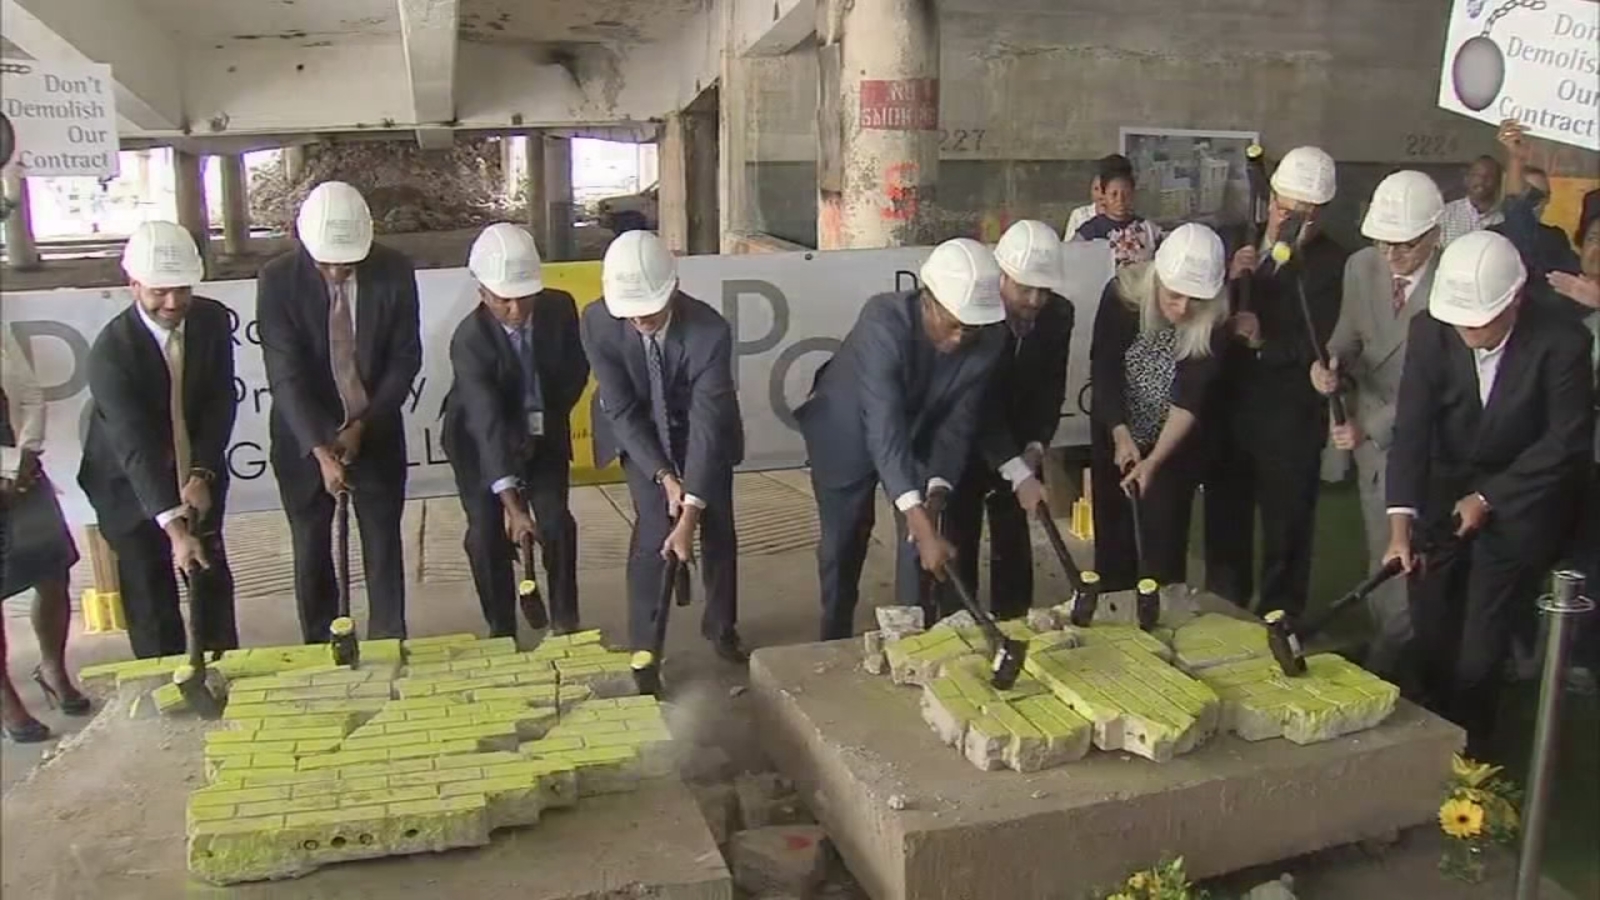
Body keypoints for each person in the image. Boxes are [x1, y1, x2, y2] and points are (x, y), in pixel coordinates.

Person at [1385, 230, 1594, 756]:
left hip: (1520, 504)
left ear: (1515, 300)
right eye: (1460, 322)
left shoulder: (1564, 341)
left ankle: (1472, 756)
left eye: (1479, 322)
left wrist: (1488, 498)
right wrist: (1400, 525)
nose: (1467, 333)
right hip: (1442, 499)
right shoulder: (1431, 330)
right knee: (1432, 628)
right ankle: (1425, 745)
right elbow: (1412, 428)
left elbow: (1565, 441)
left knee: (1481, 644)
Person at [798, 238, 1007, 640]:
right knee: (843, 541)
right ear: (929, 301)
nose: (961, 338)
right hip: (846, 431)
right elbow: (884, 426)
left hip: (920, 433)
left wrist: (935, 494)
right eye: (955, 324)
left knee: (920, 542)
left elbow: (958, 424)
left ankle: (912, 634)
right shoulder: (883, 320)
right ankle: (834, 634)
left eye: (971, 328)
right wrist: (920, 520)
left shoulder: (990, 339)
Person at [582, 231, 747, 693]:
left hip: (699, 429)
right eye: (630, 312)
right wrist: (663, 476)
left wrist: (690, 507)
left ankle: (721, 627)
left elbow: (708, 426)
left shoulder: (709, 331)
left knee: (715, 525)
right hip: (641, 434)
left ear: (672, 288)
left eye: (649, 310)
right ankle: (646, 645)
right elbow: (620, 409)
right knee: (655, 528)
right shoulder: (597, 321)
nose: (639, 319)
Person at [258, 181, 422, 643]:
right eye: (326, 262)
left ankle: (389, 638)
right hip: (302, 437)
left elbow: (405, 357)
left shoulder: (394, 271)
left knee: (382, 542)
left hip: (376, 428)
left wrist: (363, 425)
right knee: (311, 545)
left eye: (346, 263)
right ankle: (321, 642)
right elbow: (285, 374)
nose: (335, 271)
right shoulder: (277, 280)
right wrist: (320, 449)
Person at [78, 221, 240, 659]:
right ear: (133, 285)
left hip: (196, 471)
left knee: (209, 573)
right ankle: (163, 675)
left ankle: (223, 666)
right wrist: (173, 528)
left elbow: (219, 400)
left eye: (182, 289)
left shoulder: (211, 320)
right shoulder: (111, 353)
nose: (172, 302)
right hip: (127, 484)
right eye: (159, 292)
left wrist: (201, 473)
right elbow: (135, 449)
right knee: (149, 587)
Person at [1204, 145, 1347, 618]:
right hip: (1230, 409)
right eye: (1284, 210)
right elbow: (1194, 311)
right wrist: (1229, 279)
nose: (1288, 222)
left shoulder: (1333, 265)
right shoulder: (1232, 240)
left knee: (1286, 526)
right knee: (1226, 517)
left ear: (1321, 215)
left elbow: (1322, 342)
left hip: (1289, 417)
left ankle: (1280, 616)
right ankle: (1225, 608)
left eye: (1303, 216)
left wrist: (1265, 341)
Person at [1311, 170, 1444, 677]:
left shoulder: (1452, 281)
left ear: (1434, 235)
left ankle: (1403, 665)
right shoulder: (1362, 266)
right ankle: (1390, 655)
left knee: (1419, 559)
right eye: (1383, 242)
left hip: (1427, 437)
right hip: (1370, 441)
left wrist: (1372, 426)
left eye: (1405, 245)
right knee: (1383, 556)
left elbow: (1441, 382)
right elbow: (1346, 337)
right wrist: (1328, 366)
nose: (1391, 255)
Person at [443, 224, 588, 638]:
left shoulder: (560, 308)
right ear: (483, 293)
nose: (516, 308)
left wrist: (542, 422)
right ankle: (501, 628)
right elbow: (486, 424)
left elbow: (575, 372)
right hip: (478, 443)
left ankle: (565, 620)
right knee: (485, 535)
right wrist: (513, 507)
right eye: (503, 299)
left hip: (543, 433)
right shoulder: (469, 341)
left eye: (524, 296)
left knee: (556, 523)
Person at [940, 221, 1073, 620]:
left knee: (1014, 533)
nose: (1035, 300)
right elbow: (978, 403)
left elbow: (1051, 387)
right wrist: (1015, 468)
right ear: (1001, 276)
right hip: (966, 434)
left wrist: (1035, 447)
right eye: (1025, 288)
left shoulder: (1058, 315)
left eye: (1043, 290)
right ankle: (957, 620)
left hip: (1018, 435)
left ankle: (1015, 620)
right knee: (958, 529)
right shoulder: (975, 314)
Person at [1090, 223, 1229, 591]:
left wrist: (1153, 461)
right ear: (1157, 280)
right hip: (1117, 431)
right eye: (1174, 296)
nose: (1183, 309)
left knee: (1163, 551)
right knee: (1115, 545)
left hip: (1172, 443)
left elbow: (1190, 398)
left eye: (1194, 300)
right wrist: (1121, 435)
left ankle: (1162, 614)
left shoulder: (1215, 317)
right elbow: (1104, 371)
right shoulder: (1121, 296)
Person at [2, 329, 90, 741]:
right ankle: (6, 697)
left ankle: (52, 667)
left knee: (54, 573)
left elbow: (30, 395)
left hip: (20, 470)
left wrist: (25, 455)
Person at [1492, 120, 1580, 285]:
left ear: (1548, 200)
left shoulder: (1556, 239)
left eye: (1540, 196)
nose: (1533, 204)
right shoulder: (1491, 237)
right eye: (1529, 196)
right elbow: (1517, 213)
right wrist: (1515, 159)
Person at [1072, 158, 1163, 268]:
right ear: (1104, 195)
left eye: (1126, 194)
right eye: (1114, 194)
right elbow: (1073, 262)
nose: (1120, 200)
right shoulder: (1089, 232)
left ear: (1133, 194)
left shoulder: (1149, 230)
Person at [1439, 155, 1504, 247]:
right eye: (1477, 175)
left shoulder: (1505, 218)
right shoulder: (1446, 215)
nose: (1482, 180)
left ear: (1498, 182)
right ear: (1466, 179)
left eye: (1489, 176)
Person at [1065, 154, 1134, 238]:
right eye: (1096, 189)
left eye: (1125, 193)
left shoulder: (1141, 226)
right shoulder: (1082, 219)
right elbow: (1070, 244)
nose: (1100, 195)